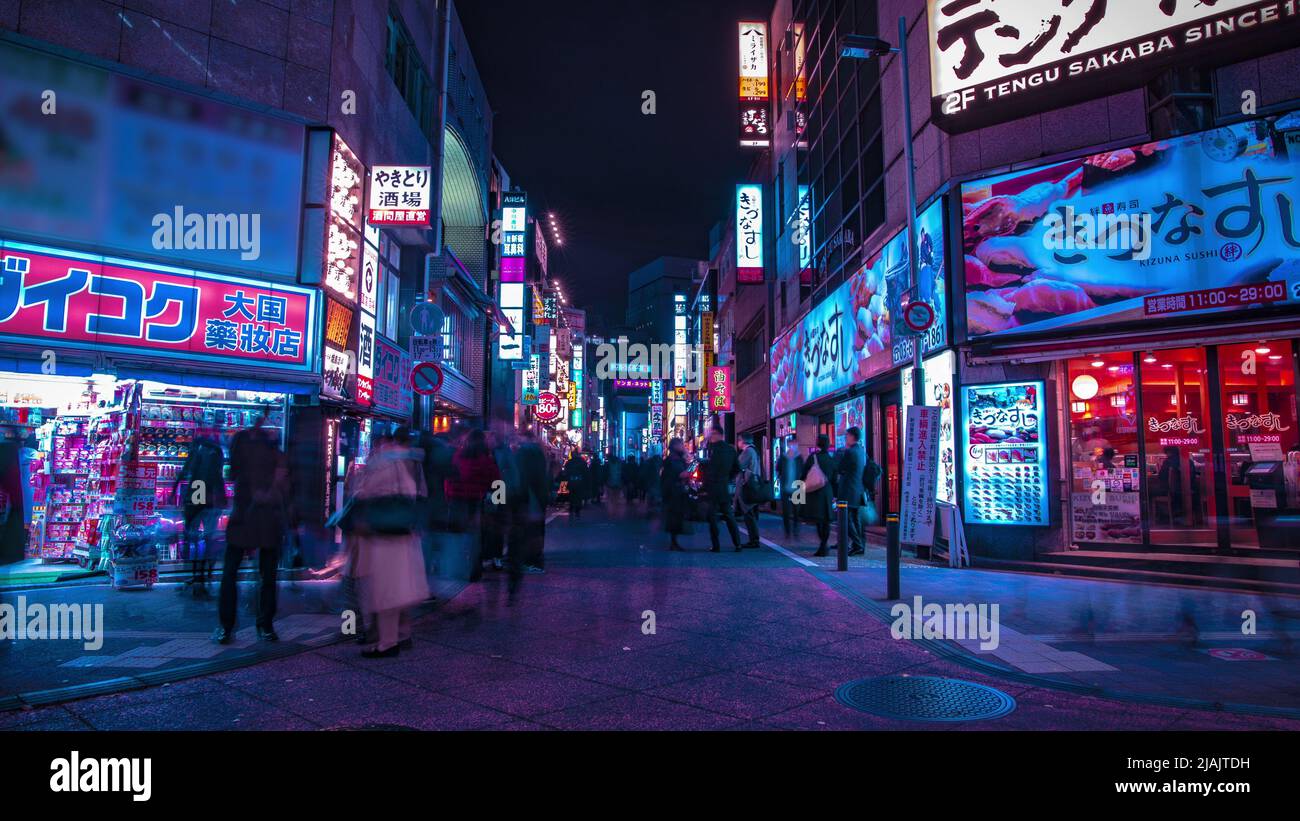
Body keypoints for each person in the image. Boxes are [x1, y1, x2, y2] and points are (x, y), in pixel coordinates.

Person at [348, 434, 429, 657]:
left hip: (384, 535)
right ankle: (402, 634)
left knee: (387, 591)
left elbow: (363, 491)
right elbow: (416, 492)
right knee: (400, 588)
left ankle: (387, 642)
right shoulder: (411, 462)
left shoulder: (383, 463)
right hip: (404, 533)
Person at [215, 406, 288, 644]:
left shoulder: (247, 445)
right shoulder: (269, 449)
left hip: (248, 517)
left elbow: (231, 474)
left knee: (233, 574)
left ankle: (229, 627)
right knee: (265, 576)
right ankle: (264, 625)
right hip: (259, 518)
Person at [174, 430, 226, 596]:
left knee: (192, 538)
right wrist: (221, 496)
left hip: (197, 491)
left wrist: (174, 490)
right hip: (210, 494)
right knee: (207, 538)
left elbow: (185, 471)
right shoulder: (216, 451)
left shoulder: (197, 449)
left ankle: (194, 576)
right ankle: (204, 576)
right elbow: (219, 475)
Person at [445, 429, 501, 582]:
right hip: (476, 502)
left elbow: (449, 478)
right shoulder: (486, 460)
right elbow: (496, 481)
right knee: (474, 537)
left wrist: (448, 496)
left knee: (457, 536)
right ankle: (474, 571)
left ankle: (455, 569)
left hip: (456, 501)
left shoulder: (457, 456)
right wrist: (498, 502)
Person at [511, 429, 550, 596]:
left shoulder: (524, 453)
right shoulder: (539, 453)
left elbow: (519, 477)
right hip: (537, 497)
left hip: (529, 497)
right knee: (535, 530)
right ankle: (535, 560)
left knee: (529, 531)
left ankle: (532, 561)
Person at [701, 426, 743, 552]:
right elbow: (737, 468)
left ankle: (716, 545)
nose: (711, 436)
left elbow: (710, 469)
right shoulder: (730, 450)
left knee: (712, 518)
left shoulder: (713, 449)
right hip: (723, 486)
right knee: (729, 516)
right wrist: (727, 478)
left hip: (713, 487)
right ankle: (738, 544)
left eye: (713, 434)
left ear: (719, 434)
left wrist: (705, 484)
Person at [802, 435, 837, 557]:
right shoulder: (831, 459)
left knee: (818, 520)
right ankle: (824, 544)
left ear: (818, 444)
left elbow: (804, 473)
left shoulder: (813, 457)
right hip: (827, 491)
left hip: (815, 492)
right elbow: (834, 478)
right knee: (826, 520)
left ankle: (823, 545)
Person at [836, 426, 868, 556]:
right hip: (858, 489)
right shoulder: (861, 451)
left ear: (851, 436)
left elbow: (840, 468)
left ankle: (858, 544)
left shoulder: (850, 452)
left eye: (846, 435)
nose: (845, 438)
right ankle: (858, 545)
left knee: (846, 519)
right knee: (855, 518)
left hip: (849, 489)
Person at [660, 438, 692, 551]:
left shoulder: (672, 459)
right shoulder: (674, 460)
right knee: (675, 516)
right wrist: (691, 467)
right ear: (675, 447)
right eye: (681, 445)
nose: (683, 446)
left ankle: (674, 542)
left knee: (675, 516)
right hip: (675, 492)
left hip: (673, 492)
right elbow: (682, 474)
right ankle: (674, 543)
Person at [735, 434, 763, 548]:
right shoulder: (754, 450)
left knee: (749, 514)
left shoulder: (748, 452)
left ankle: (754, 540)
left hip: (747, 485)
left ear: (743, 441)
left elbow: (738, 465)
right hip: (752, 484)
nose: (738, 443)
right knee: (750, 513)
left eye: (739, 440)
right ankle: (754, 539)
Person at [777, 437, 802, 539]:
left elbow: (803, 471)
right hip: (785, 488)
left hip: (797, 487)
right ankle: (787, 531)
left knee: (797, 511)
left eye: (795, 443)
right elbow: (778, 469)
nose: (793, 446)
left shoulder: (799, 457)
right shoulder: (783, 457)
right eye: (791, 443)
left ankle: (796, 530)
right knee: (786, 511)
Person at [563, 449, 590, 518]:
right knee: (578, 496)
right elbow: (586, 472)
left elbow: (566, 473)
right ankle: (577, 511)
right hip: (580, 481)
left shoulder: (569, 462)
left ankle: (572, 509)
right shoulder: (582, 462)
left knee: (571, 495)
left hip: (571, 481)